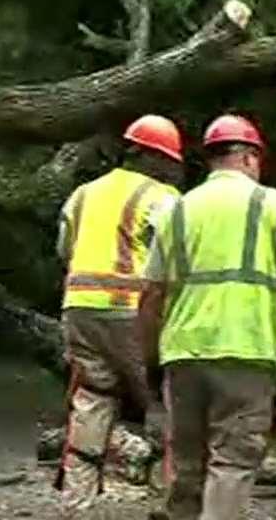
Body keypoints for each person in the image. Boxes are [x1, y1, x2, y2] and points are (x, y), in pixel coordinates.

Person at [139, 113, 276, 520]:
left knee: (186, 463)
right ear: (250, 157)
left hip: (183, 352)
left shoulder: (176, 210)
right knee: (233, 462)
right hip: (247, 350)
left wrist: (150, 357)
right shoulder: (269, 204)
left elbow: (150, 293)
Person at [54, 114, 185, 517]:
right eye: (171, 162)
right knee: (161, 400)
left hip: (79, 309)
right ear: (152, 157)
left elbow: (64, 249)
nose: (175, 171)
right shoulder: (162, 197)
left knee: (92, 397)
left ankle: (77, 505)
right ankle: (169, 504)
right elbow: (175, 261)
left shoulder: (83, 194)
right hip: (133, 312)